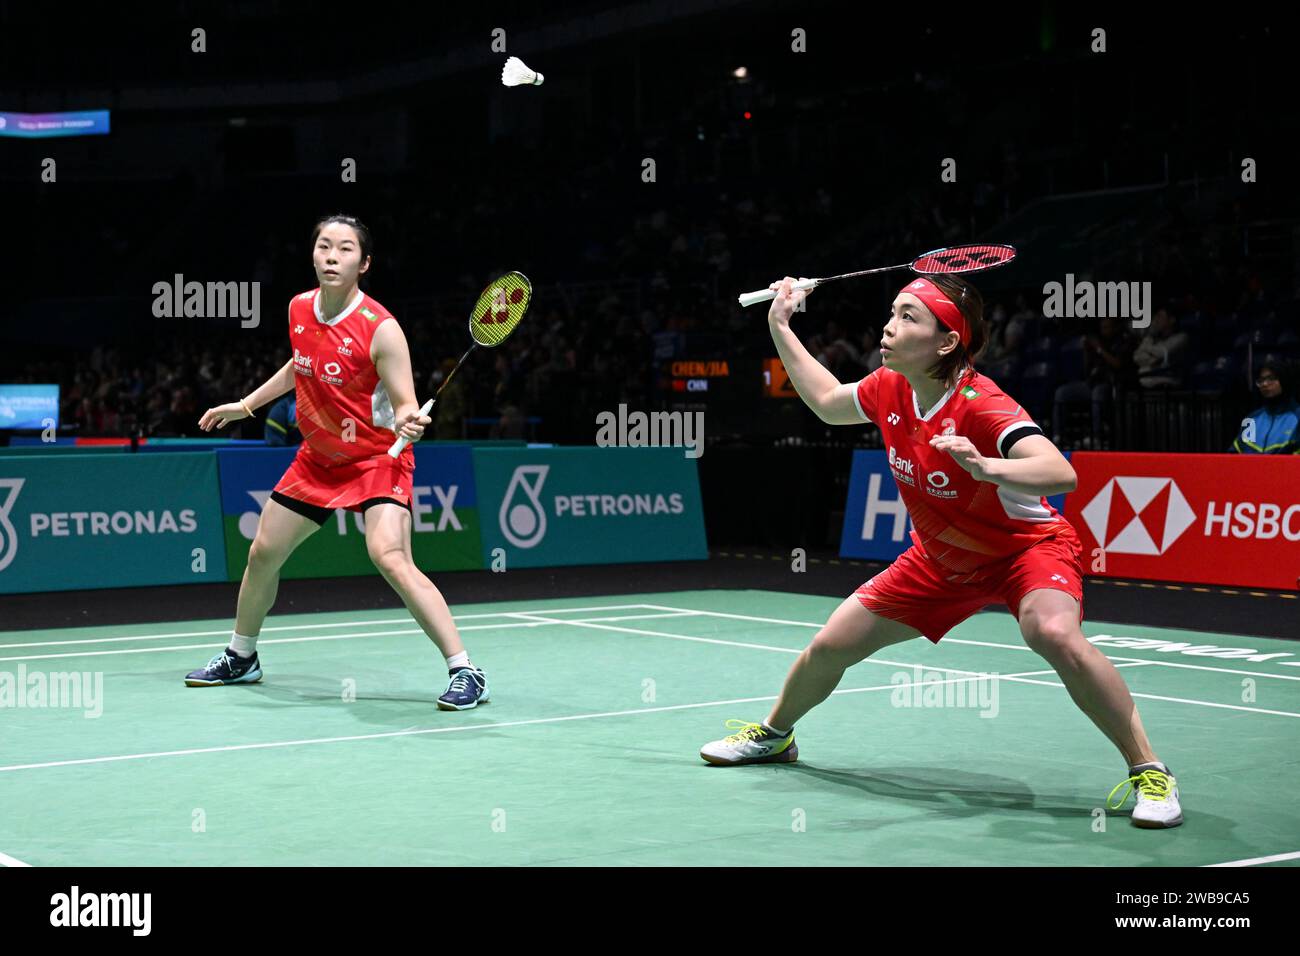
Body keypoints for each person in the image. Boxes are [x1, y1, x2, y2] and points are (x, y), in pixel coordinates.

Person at [699, 274, 1183, 829]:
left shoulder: (981, 404)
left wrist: (986, 466)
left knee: (1051, 633)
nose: (889, 325)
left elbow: (1060, 472)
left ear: (946, 341)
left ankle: (1150, 769)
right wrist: (780, 325)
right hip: (940, 559)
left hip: (1023, 551)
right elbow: (831, 404)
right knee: (831, 644)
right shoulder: (890, 387)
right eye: (892, 312)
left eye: (908, 316)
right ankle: (775, 736)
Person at [187, 214, 489, 710]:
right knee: (262, 553)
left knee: (389, 555)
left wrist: (410, 422)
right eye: (324, 246)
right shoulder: (299, 308)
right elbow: (299, 363)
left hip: (376, 457)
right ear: (312, 255)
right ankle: (242, 656)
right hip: (319, 457)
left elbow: (406, 403)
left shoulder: (382, 329)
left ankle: (466, 671)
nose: (332, 256)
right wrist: (245, 406)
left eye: (345, 249)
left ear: (364, 263)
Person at [1231, 360, 1299, 454]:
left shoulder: (1297, 417)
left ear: (1284, 380)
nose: (1265, 384)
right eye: (1260, 380)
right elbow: (1236, 455)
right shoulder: (1251, 420)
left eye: (1271, 379)